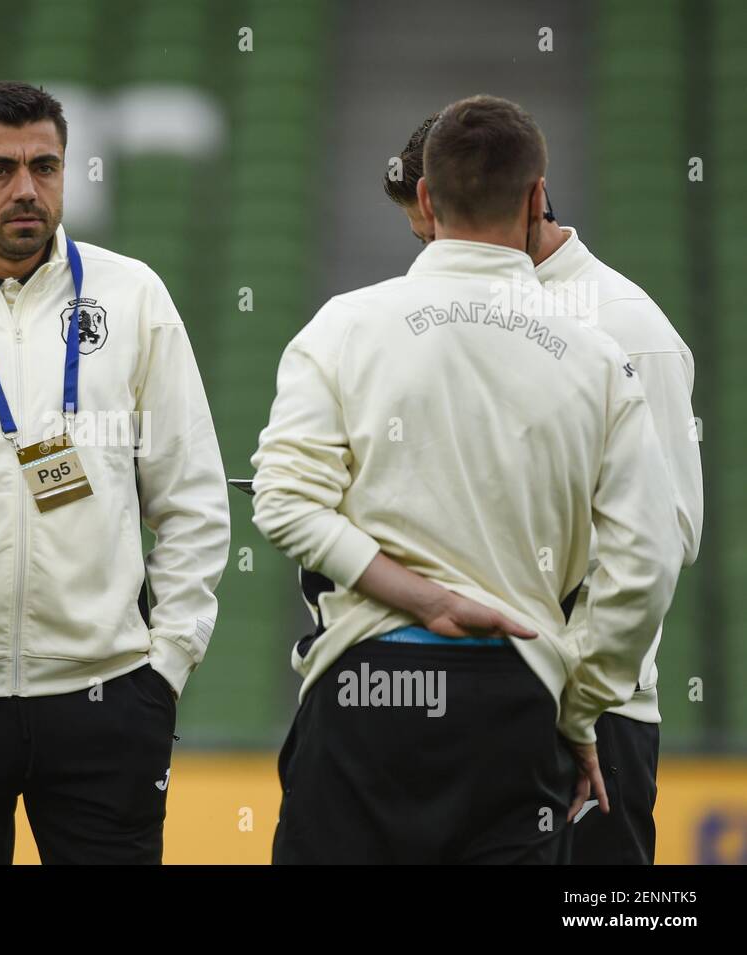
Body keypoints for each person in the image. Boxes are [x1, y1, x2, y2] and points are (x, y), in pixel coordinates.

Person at [251, 95, 683, 864]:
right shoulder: (597, 358)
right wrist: (578, 707)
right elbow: (647, 560)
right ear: (535, 194)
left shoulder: (342, 326)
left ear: (424, 196)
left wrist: (424, 598)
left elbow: (285, 503)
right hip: (519, 696)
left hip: (364, 687)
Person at [0, 81, 230, 864]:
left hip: (107, 697)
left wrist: (166, 667)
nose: (26, 189)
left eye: (44, 166)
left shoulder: (132, 297)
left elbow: (191, 497)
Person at [383, 112, 703, 864]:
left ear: (528, 200)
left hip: (595, 712)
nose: (439, 255)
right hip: (457, 696)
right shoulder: (435, 314)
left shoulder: (629, 326)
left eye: (443, 234)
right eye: (426, 239)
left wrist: (574, 679)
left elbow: (672, 528)